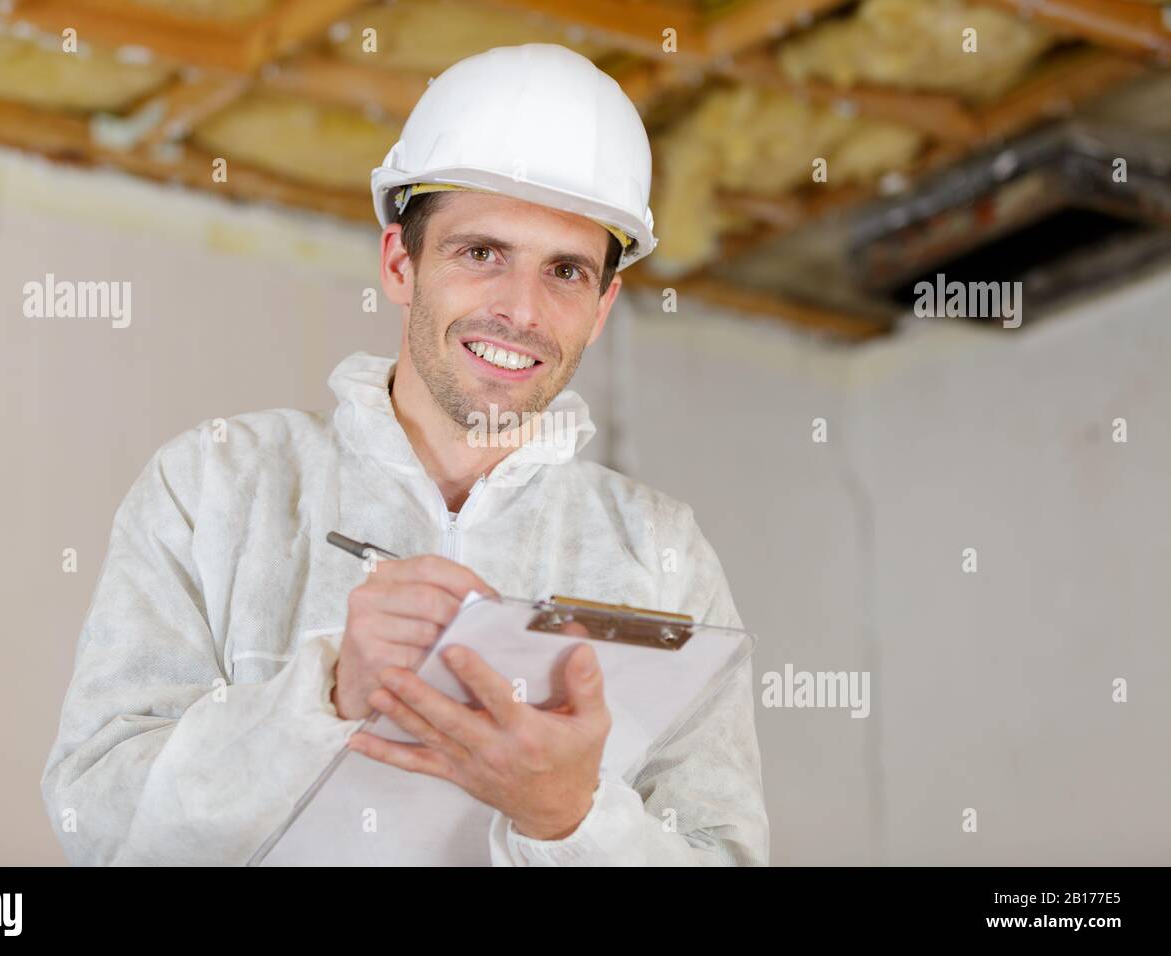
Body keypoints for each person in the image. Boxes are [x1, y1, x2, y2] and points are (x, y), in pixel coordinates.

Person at [41, 43, 769, 866]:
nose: (521, 310)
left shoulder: (662, 554)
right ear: (400, 262)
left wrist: (570, 817)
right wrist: (324, 698)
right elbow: (94, 819)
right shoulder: (214, 486)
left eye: (565, 270)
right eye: (481, 253)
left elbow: (724, 854)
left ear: (600, 308)